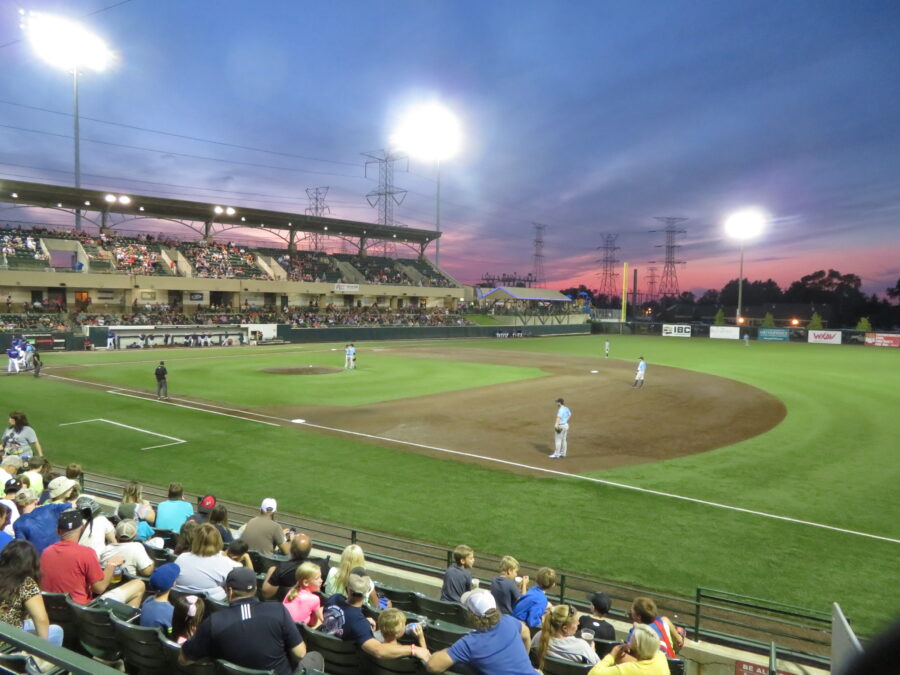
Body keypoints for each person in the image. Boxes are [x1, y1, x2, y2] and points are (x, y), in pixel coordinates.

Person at [180, 567, 325, 675]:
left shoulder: (214, 622)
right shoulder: (278, 610)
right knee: (314, 658)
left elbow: (183, 659)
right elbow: (300, 654)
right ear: (255, 589)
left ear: (230, 591)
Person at [40, 510, 145, 607]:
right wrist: (111, 565)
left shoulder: (46, 552)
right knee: (139, 585)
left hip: (52, 609)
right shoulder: (86, 553)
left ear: (58, 531)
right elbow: (99, 588)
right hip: (81, 611)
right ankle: (125, 626)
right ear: (82, 528)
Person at [321, 570, 430, 664]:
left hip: (323, 653)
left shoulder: (334, 598)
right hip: (342, 663)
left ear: (346, 589)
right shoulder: (359, 624)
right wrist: (413, 649)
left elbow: (343, 618)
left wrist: (363, 622)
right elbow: (379, 651)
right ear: (367, 593)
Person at [425, 588, 536, 674]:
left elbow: (432, 665)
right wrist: (525, 659)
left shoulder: (470, 643)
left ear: (472, 615)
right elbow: (526, 633)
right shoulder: (510, 621)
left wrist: (451, 650)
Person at [0, 540, 63, 646]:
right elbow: (41, 619)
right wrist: (41, 647)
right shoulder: (25, 582)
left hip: (4, 630)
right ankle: (43, 661)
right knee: (56, 631)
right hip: (6, 639)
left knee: (29, 622)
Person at [173, 523, 241, 601]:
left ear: (195, 540)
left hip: (181, 603)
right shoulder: (224, 563)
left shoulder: (181, 558)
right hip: (210, 607)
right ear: (218, 541)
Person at [261, 532, 329, 600]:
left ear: (291, 548)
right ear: (309, 549)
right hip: (313, 606)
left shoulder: (282, 568)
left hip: (287, 606)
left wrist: (271, 571)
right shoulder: (322, 564)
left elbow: (266, 594)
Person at [532, 604, 599, 669]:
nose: (578, 623)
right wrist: (592, 651)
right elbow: (599, 669)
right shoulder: (582, 647)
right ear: (565, 628)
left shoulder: (538, 637)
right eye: (576, 622)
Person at [588, 623, 669, 675]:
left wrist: (612, 656)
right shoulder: (661, 657)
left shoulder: (630, 669)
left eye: (631, 641)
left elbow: (593, 673)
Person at [140, 563, 180, 630]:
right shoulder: (171, 612)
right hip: (159, 639)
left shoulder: (147, 600)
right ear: (174, 583)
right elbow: (170, 631)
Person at [282, 561, 323, 627]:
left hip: (283, 625)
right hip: (298, 632)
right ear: (306, 582)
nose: (321, 580)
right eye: (317, 578)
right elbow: (313, 624)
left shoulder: (292, 590)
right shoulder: (314, 599)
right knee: (321, 612)